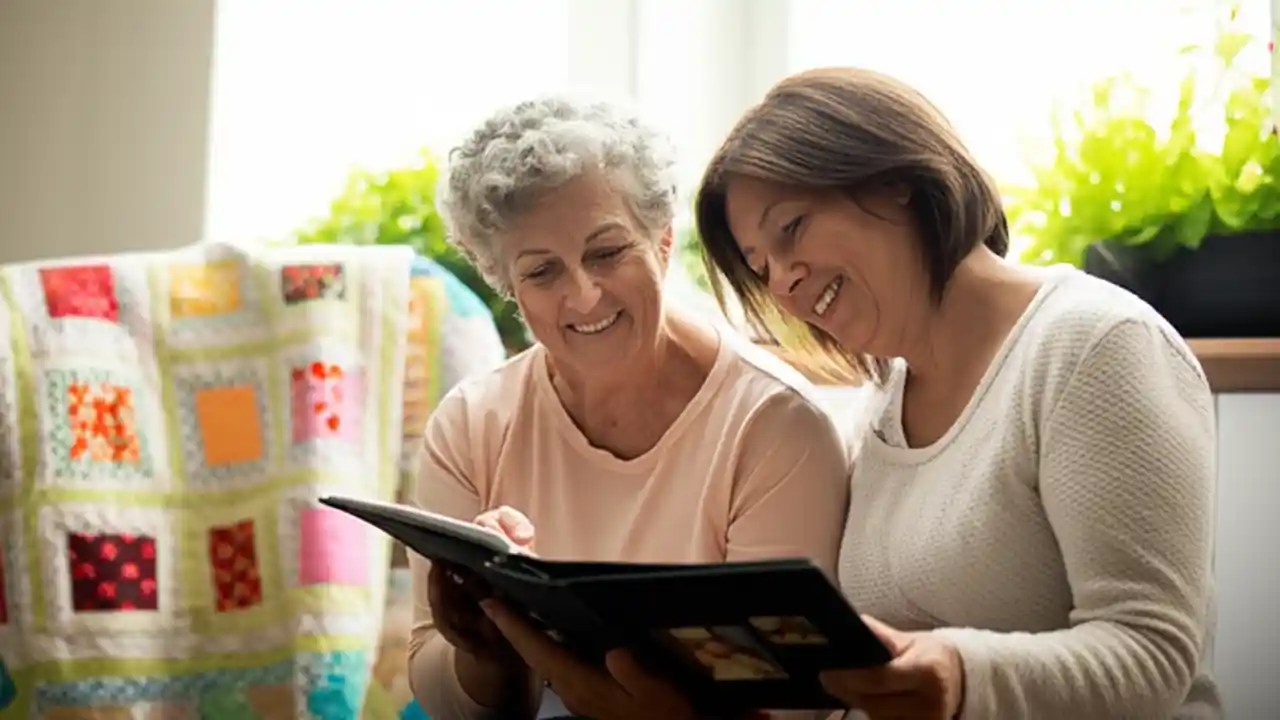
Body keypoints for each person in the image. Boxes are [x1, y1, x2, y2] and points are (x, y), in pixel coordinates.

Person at [480, 68, 1221, 720]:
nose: (784, 280)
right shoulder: (884, 403)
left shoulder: (1090, 346)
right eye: (761, 265)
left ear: (893, 176)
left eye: (792, 229)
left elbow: (1153, 655)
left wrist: (961, 677)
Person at [407, 96, 852, 720]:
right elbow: (439, 684)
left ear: (663, 242)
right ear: (509, 287)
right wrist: (484, 647)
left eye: (607, 252)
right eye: (541, 272)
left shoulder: (774, 429)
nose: (584, 296)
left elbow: (788, 706)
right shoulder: (470, 426)